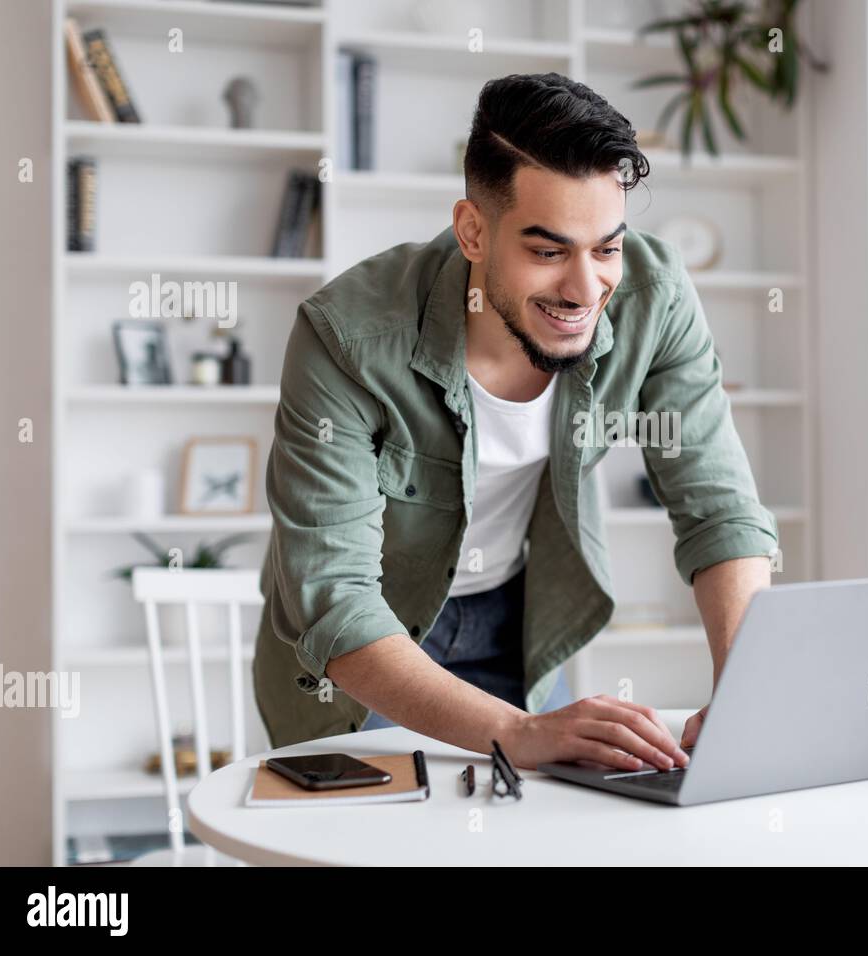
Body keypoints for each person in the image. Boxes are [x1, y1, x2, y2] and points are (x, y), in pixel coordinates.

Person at [252, 73, 777, 773]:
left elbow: (720, 509)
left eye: (607, 248)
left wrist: (745, 695)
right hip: (370, 647)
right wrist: (520, 733)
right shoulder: (346, 339)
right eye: (548, 251)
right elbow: (335, 600)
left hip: (517, 621)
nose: (586, 289)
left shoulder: (655, 297)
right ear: (473, 230)